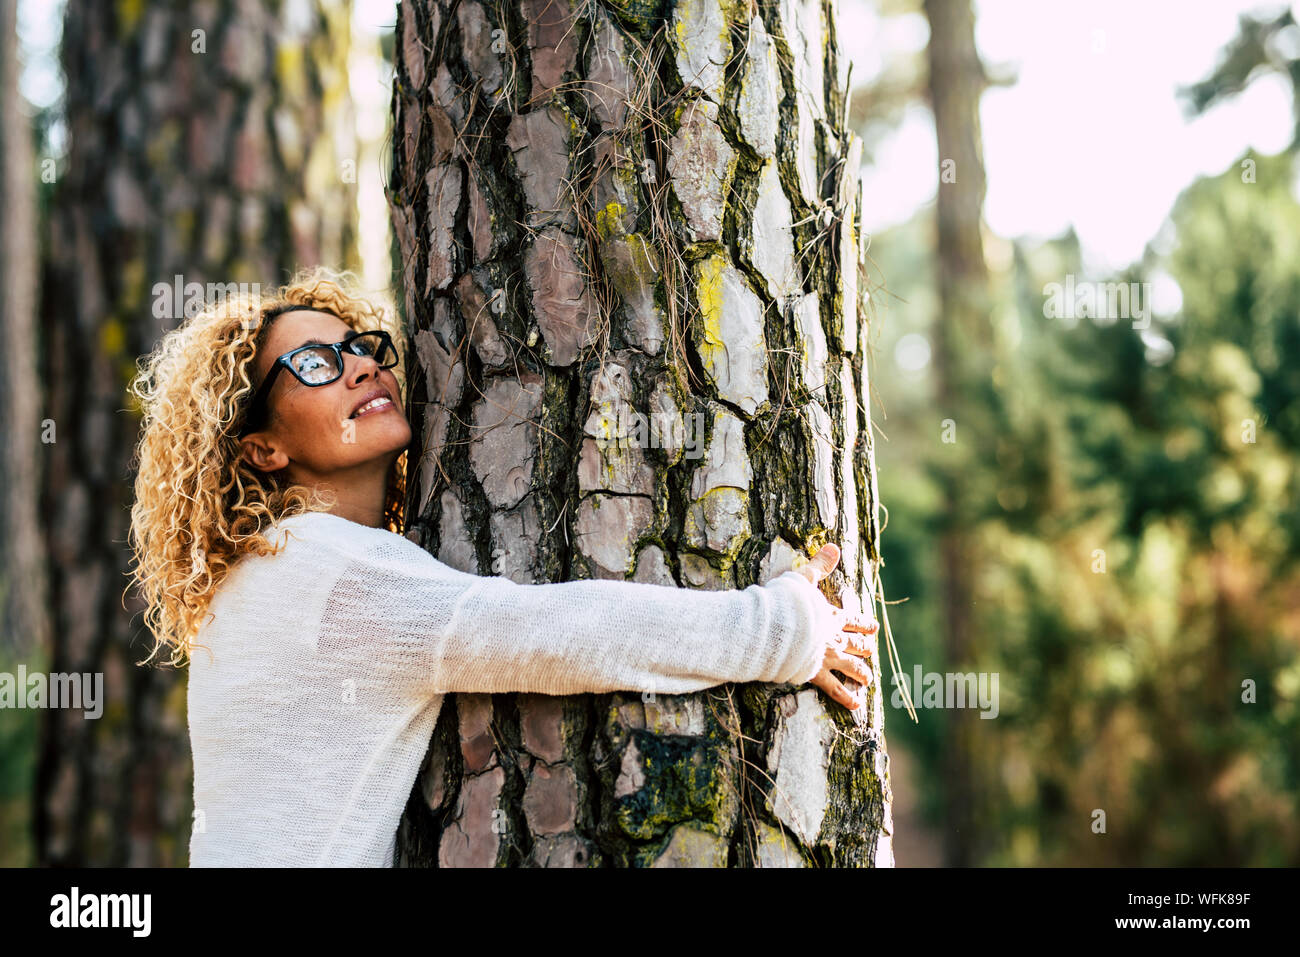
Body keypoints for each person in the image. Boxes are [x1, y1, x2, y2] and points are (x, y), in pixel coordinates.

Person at [127, 266, 878, 867]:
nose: (359, 367)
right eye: (316, 363)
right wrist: (780, 629)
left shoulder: (269, 573)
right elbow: (549, 634)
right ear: (262, 447)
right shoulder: (325, 572)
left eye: (362, 348)